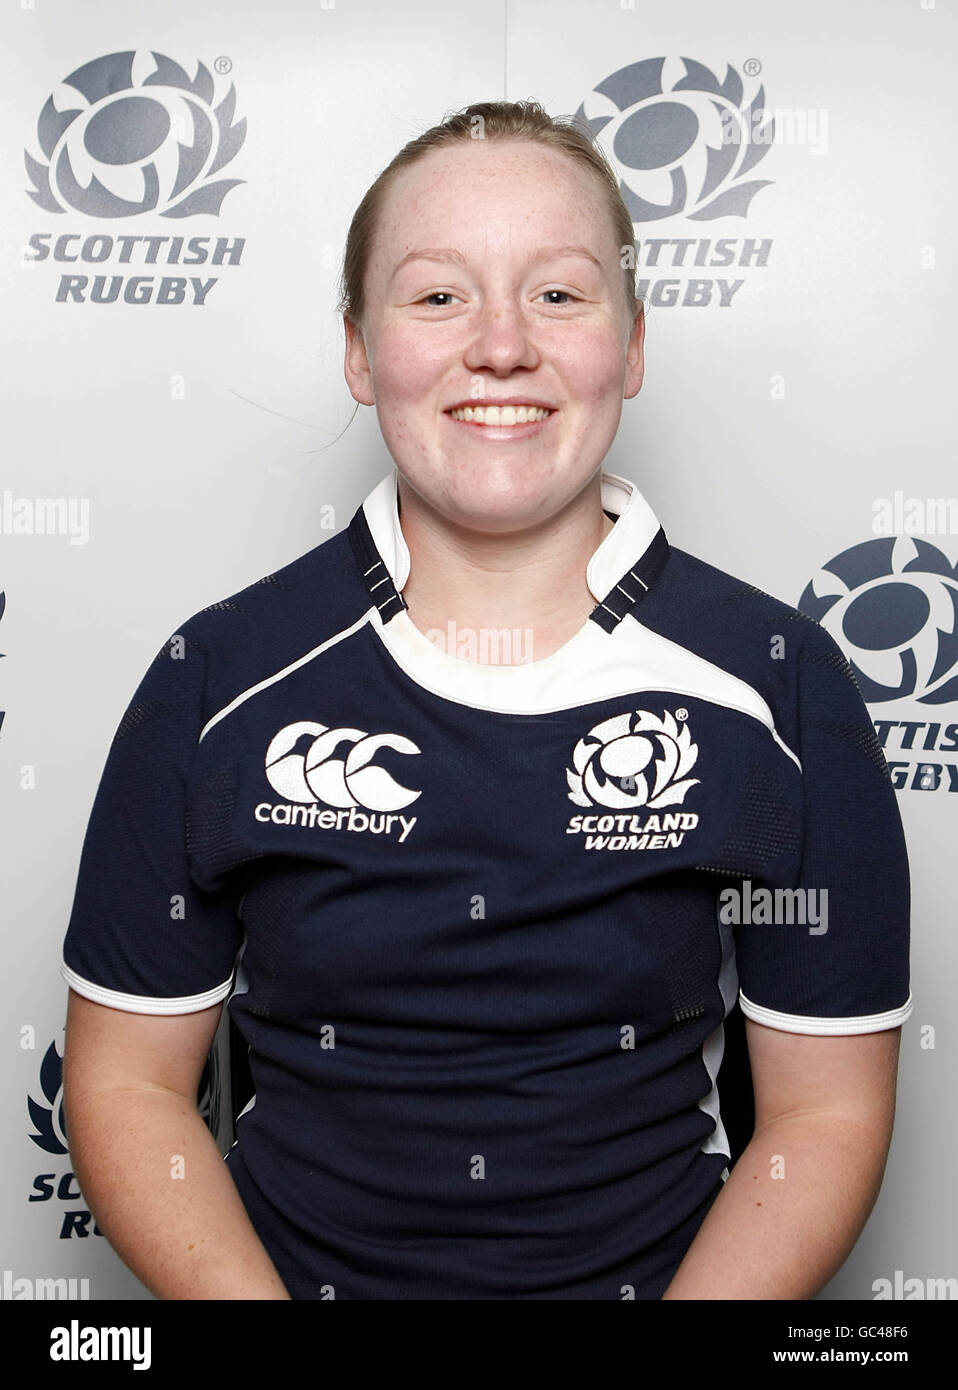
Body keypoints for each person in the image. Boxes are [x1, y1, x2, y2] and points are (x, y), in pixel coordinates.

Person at [60, 99, 912, 1301]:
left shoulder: (778, 680)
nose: (501, 345)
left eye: (559, 294)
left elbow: (822, 1116)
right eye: (438, 294)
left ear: (632, 341)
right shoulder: (216, 678)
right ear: (359, 348)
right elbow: (126, 1084)